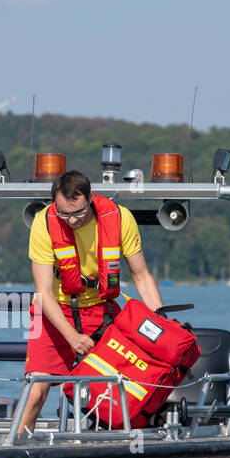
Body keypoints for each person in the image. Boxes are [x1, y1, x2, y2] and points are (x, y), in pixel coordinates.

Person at [18, 169, 164, 433]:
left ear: (91, 198)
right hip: (54, 314)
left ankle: (120, 449)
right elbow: (43, 292)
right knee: (35, 390)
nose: (72, 219)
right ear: (55, 204)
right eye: (65, 213)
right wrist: (72, 336)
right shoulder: (44, 223)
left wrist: (161, 326)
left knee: (122, 389)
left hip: (103, 312)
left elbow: (141, 276)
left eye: (79, 212)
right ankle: (14, 456)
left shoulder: (120, 217)